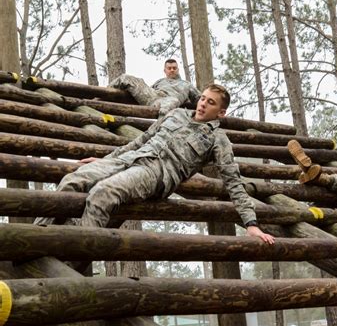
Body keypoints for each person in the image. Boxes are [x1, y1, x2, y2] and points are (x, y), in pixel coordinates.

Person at [35, 84, 275, 244]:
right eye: (202, 98)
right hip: (129, 159)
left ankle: (74, 255)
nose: (202, 104)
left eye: (210, 102)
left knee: (102, 192)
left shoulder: (218, 140)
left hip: (155, 174)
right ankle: (37, 238)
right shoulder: (175, 114)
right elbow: (141, 140)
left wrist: (251, 224)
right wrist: (107, 160)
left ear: (221, 113)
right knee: (74, 179)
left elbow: (234, 183)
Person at [109, 58, 201, 116]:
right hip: (153, 96)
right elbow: (148, 89)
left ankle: (158, 128)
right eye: (169, 68)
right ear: (165, 70)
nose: (172, 70)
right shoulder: (160, 81)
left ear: (178, 69)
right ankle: (103, 95)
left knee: (173, 101)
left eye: (174, 68)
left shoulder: (187, 84)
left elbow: (199, 98)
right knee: (126, 78)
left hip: (169, 101)